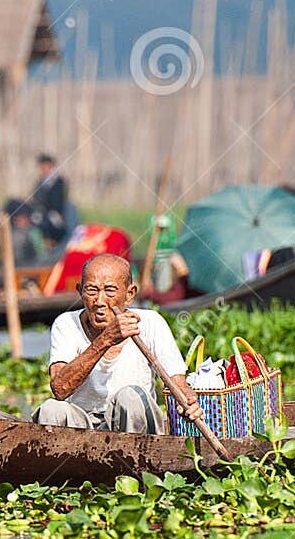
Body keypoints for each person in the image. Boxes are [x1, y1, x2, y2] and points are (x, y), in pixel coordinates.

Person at [34, 253, 184, 434]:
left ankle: (133, 461)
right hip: (84, 427)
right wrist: (105, 340)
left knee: (130, 397)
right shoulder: (66, 323)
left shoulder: (151, 322)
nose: (99, 301)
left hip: (133, 425)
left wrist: (187, 400)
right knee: (52, 409)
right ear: (80, 291)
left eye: (110, 291)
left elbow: (177, 381)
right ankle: (64, 461)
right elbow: (60, 388)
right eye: (91, 290)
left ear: (129, 295)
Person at [26, 154, 72, 246]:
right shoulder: (40, 183)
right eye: (41, 167)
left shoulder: (59, 182)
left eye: (44, 167)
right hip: (41, 214)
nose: (42, 170)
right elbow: (35, 200)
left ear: (50, 166)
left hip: (55, 215)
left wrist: (48, 211)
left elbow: (58, 202)